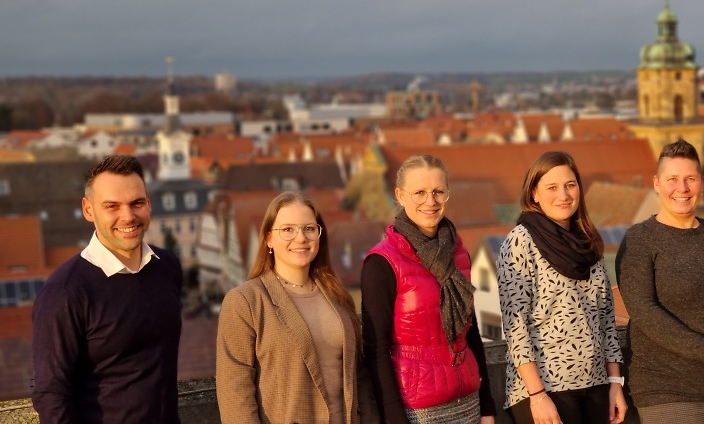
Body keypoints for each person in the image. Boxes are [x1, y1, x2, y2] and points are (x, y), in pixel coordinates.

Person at [31, 154, 183, 423]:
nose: (128, 216)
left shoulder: (167, 267)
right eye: (112, 206)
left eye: (137, 203)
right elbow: (51, 395)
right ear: (88, 210)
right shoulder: (65, 292)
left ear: (149, 203)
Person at [617, 139, 704, 424]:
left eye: (690, 179)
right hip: (667, 391)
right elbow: (644, 311)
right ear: (657, 183)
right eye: (672, 179)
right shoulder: (640, 239)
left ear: (701, 183)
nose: (682, 189)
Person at [360, 154, 496, 424]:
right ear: (400, 195)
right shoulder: (382, 262)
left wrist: (487, 407)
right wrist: (394, 418)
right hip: (417, 410)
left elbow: (471, 331)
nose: (430, 201)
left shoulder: (458, 251)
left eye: (438, 192)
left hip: (467, 401)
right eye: (419, 192)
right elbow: (375, 347)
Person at [216, 191, 371, 423]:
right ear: (269, 238)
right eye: (287, 229)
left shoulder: (337, 297)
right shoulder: (245, 301)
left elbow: (359, 376)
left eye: (309, 228)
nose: (301, 238)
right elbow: (234, 394)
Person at [497, 151, 627, 424]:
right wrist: (538, 395)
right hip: (546, 389)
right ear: (534, 193)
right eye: (552, 187)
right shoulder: (521, 241)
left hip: (595, 385)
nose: (564, 195)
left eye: (570, 185)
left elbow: (606, 319)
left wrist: (615, 382)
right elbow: (515, 325)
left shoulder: (588, 241)